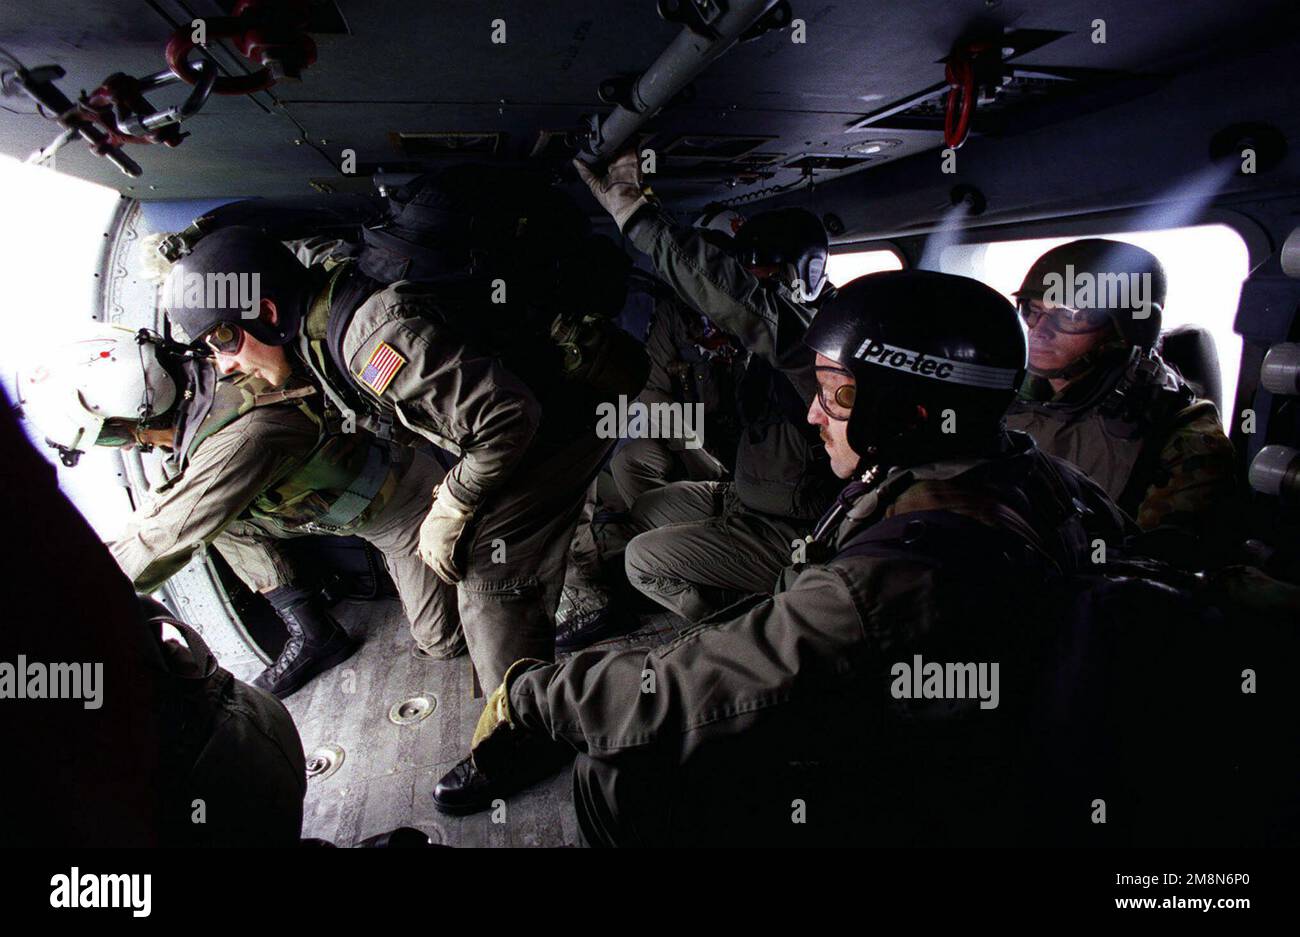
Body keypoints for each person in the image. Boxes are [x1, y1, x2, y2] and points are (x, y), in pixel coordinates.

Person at [462, 270, 1132, 845]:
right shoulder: (1046, 477)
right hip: (1000, 741)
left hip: (944, 787)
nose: (815, 414)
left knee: (617, 768)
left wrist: (530, 692)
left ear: (912, 408)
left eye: (838, 394)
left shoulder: (895, 573)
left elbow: (679, 691)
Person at [160, 167, 634, 811]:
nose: (226, 365)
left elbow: (505, 419)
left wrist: (457, 503)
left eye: (224, 340)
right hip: (539, 402)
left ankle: (530, 737)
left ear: (266, 312)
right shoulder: (315, 321)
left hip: (566, 409)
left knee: (489, 579)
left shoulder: (364, 337)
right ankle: (578, 592)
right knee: (488, 547)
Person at [21, 322, 464, 699]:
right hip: (337, 500)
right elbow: (166, 506)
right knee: (216, 518)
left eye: (111, 437)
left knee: (439, 644)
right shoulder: (199, 379)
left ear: (133, 420)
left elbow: (165, 536)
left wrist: (61, 610)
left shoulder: (242, 436)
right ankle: (314, 633)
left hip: (403, 509)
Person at [575, 151, 841, 624]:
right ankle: (708, 575)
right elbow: (660, 397)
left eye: (763, 283)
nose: (750, 298)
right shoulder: (726, 340)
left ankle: (729, 629)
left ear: (802, 275)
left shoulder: (818, 347)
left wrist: (638, 218)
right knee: (647, 497)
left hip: (794, 523)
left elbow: (741, 305)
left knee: (642, 558)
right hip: (745, 489)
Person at [1004, 239, 1237, 565]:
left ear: (1129, 327)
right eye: (1033, 310)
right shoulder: (999, 394)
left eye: (1071, 314)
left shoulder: (1184, 433)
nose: (1039, 331)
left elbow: (1157, 569)